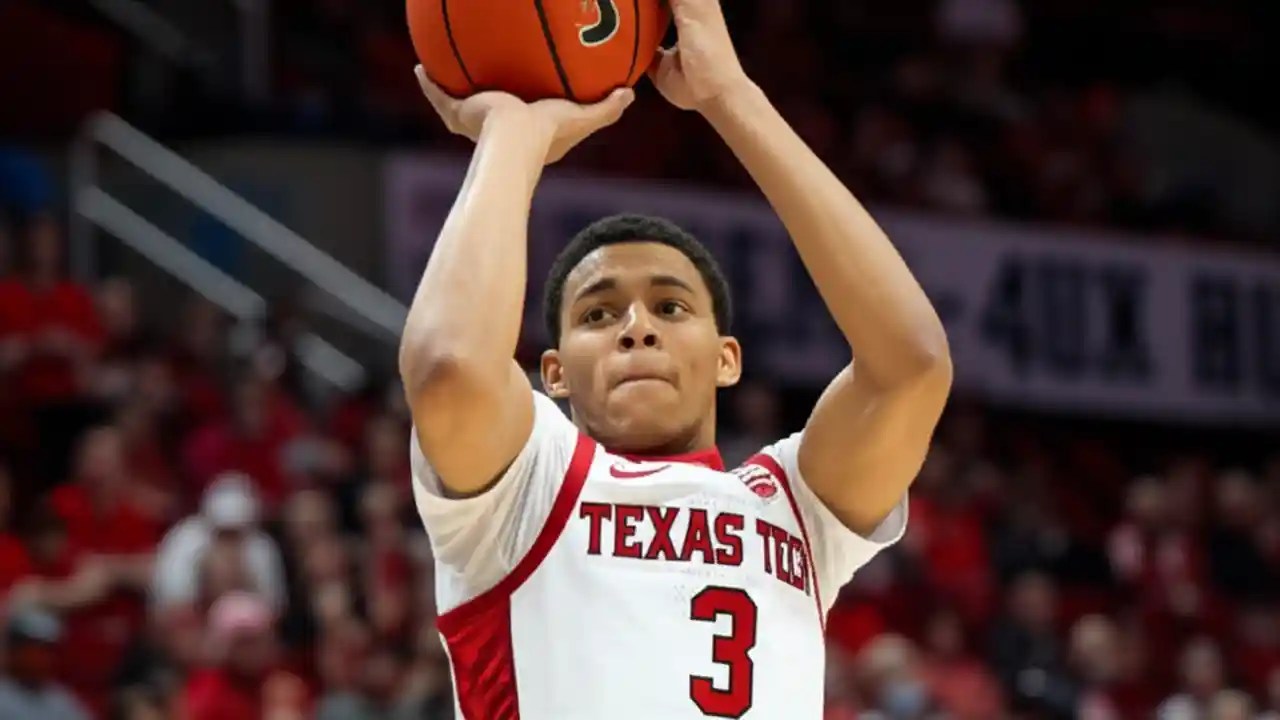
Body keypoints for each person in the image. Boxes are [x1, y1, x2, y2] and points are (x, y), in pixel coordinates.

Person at [400, 0, 952, 716]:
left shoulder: (794, 506)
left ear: (727, 358)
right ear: (554, 372)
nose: (638, 328)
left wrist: (733, 99)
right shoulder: (523, 487)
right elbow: (449, 366)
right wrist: (514, 132)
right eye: (599, 314)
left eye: (670, 307)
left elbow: (912, 367)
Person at [0, 606, 91, 720]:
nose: (42, 659)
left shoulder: (61, 700)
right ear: (14, 650)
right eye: (34, 649)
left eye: (48, 650)